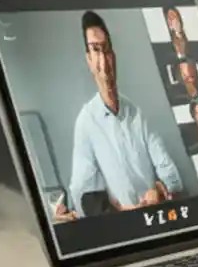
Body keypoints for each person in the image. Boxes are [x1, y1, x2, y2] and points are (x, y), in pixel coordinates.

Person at [68, 11, 184, 215]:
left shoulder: (137, 113)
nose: (103, 64)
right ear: (89, 60)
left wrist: (158, 188)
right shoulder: (86, 122)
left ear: (114, 56)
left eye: (106, 50)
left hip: (156, 216)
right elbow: (82, 193)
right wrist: (120, 210)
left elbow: (172, 176)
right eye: (95, 51)